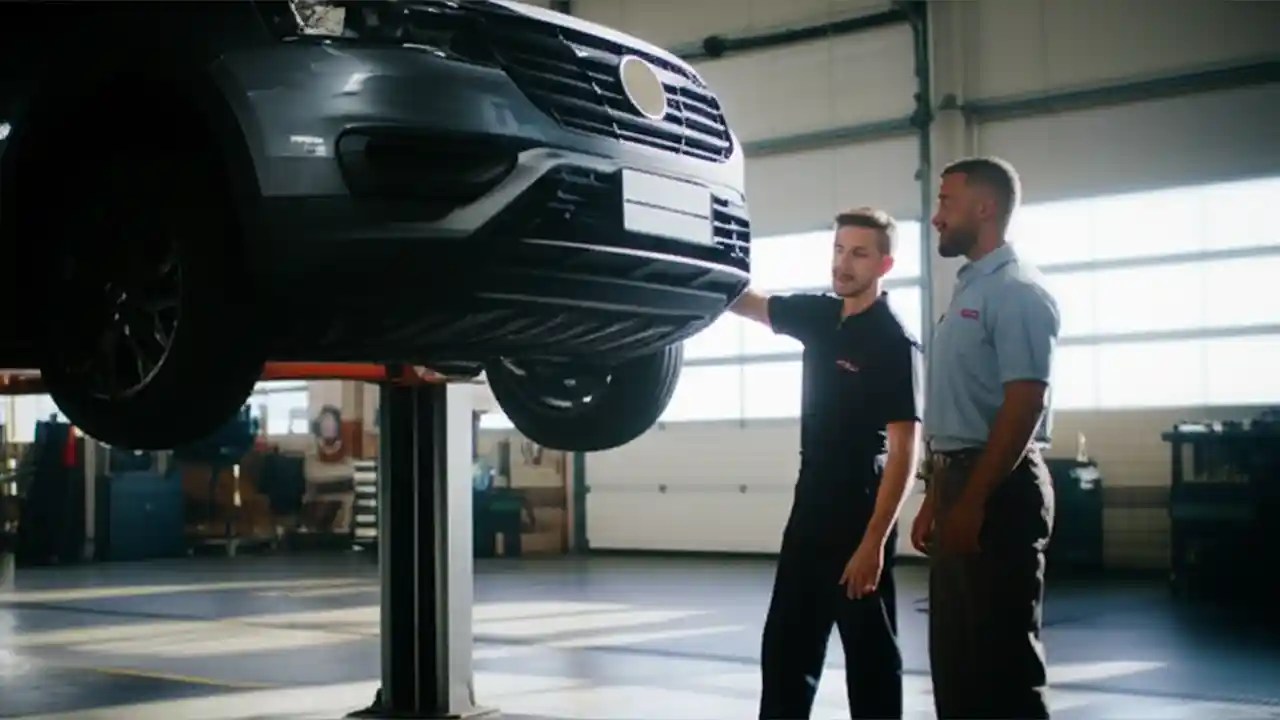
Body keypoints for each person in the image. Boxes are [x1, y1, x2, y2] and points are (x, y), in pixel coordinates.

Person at [730, 207, 923, 720]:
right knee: (786, 650)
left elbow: (905, 451)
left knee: (871, 663)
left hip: (861, 512)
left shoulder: (894, 341)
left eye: (859, 253)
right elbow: (747, 303)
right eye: (839, 249)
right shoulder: (818, 315)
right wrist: (704, 267)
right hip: (809, 507)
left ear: (884, 265)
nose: (843, 263)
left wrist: (873, 544)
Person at [910, 156, 1061, 719]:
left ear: (985, 207)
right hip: (959, 482)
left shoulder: (1017, 290)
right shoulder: (971, 287)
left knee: (1002, 670)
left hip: (998, 488)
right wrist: (936, 495)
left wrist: (973, 500)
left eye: (946, 202)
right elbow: (959, 407)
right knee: (956, 663)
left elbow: (1025, 402)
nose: (936, 218)